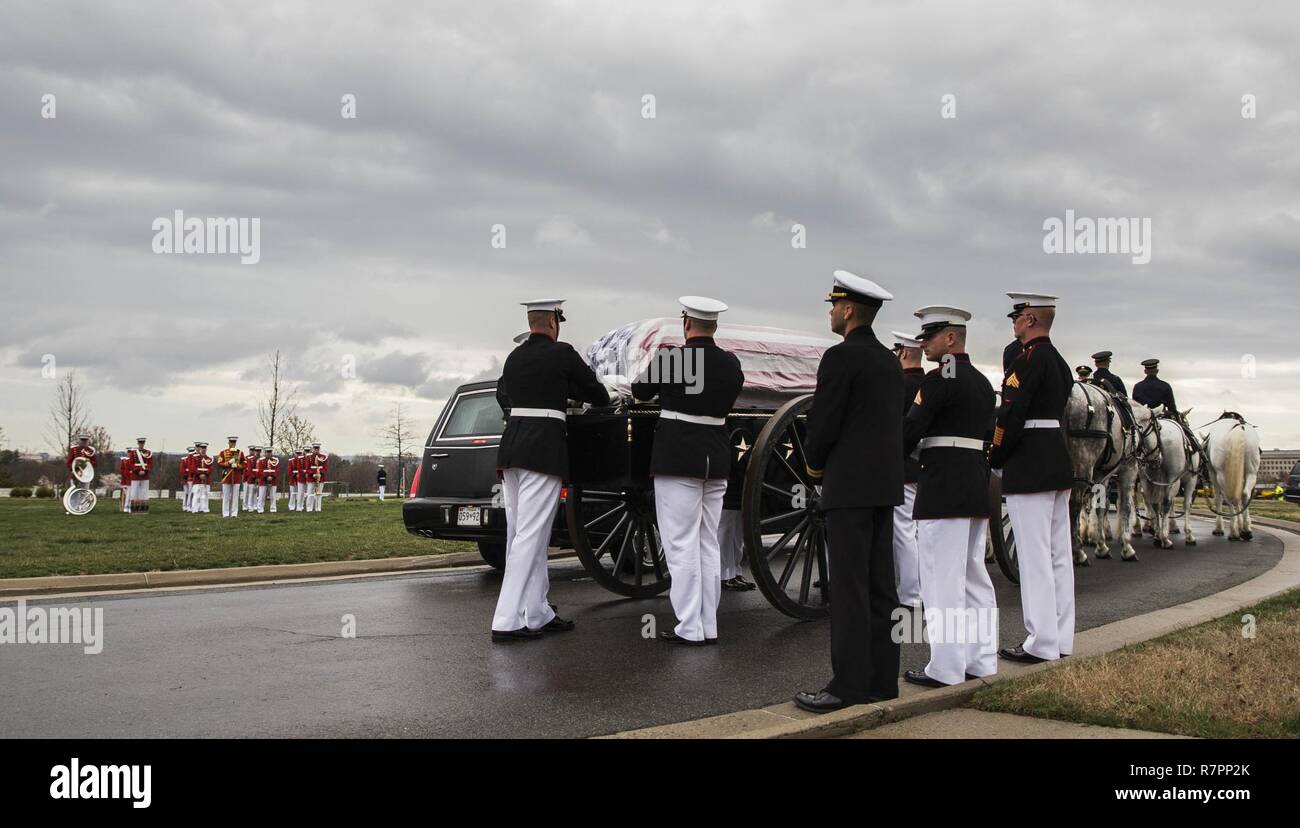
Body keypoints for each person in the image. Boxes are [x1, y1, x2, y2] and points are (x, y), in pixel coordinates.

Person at [793, 270, 903, 713]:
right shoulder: (890, 362)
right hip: (882, 487)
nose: (831, 312)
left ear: (849, 310)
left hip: (848, 487)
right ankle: (882, 681)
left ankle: (847, 686)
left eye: (834, 305)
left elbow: (824, 424)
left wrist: (814, 466)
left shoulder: (840, 359)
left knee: (848, 588)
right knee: (881, 587)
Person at [492, 299, 613, 642]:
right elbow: (596, 392)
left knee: (524, 534)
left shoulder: (514, 358)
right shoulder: (562, 353)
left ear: (531, 323)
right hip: (542, 451)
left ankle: (537, 611)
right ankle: (506, 620)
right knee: (530, 538)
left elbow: (508, 394)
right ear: (554, 322)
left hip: (512, 450)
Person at [631, 297, 745, 645]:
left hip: (678, 458)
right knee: (706, 543)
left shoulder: (673, 359)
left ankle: (689, 627)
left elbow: (639, 390)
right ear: (715, 327)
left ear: (686, 324)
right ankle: (707, 625)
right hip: (716, 458)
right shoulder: (731, 363)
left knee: (681, 545)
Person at [901, 306, 998, 687]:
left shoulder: (940, 379)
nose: (923, 343)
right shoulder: (980, 381)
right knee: (974, 577)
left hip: (943, 487)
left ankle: (945, 667)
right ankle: (981, 659)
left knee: (941, 581)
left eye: (930, 336)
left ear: (952, 338)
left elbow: (911, 429)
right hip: (974, 485)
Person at [990, 292, 1074, 663]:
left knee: (1034, 555)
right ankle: (1060, 638)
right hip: (1056, 459)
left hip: (1029, 465)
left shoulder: (1026, 362)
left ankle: (1040, 642)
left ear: (1029, 320)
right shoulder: (1060, 362)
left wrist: (996, 455)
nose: (1013, 323)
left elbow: (1011, 417)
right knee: (1058, 555)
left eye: (1017, 316)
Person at [892, 331, 925, 609]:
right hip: (927, 466)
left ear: (902, 352)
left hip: (903, 465)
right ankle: (922, 588)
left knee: (903, 530)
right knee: (920, 531)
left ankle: (910, 593)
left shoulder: (898, 386)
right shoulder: (929, 384)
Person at [216, 436, 245, 518]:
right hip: (226, 475)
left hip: (236, 477)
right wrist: (228, 463)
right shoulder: (223, 452)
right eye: (231, 442)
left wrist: (238, 466)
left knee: (235, 496)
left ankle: (234, 513)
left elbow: (245, 464)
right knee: (226, 496)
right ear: (228, 443)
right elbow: (219, 463)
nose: (232, 444)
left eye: (234, 442)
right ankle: (225, 513)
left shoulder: (239, 453)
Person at [126, 437, 154, 513]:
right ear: (138, 443)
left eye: (142, 443)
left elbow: (150, 463)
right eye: (140, 443)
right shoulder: (133, 453)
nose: (141, 445)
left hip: (145, 474)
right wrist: (138, 471)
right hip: (136, 475)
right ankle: (134, 508)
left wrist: (145, 470)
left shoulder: (148, 452)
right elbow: (131, 463)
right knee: (134, 491)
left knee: (144, 492)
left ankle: (143, 508)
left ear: (144, 443)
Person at [305, 442, 329, 512]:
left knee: (319, 493)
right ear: (313, 449)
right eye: (315, 448)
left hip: (320, 477)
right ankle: (309, 508)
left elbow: (325, 468)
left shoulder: (323, 456)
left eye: (317, 448)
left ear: (319, 449)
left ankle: (318, 508)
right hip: (311, 477)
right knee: (310, 493)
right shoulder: (308, 456)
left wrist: (320, 474)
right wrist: (313, 474)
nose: (316, 450)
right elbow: (307, 468)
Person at [191, 443, 213, 513]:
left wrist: (205, 474)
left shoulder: (209, 458)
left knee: (205, 495)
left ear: (206, 449)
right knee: (197, 494)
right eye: (202, 448)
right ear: (200, 449)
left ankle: (204, 508)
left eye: (205, 448)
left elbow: (211, 468)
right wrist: (200, 474)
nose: (203, 449)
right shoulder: (195, 457)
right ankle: (195, 509)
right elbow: (193, 468)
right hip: (197, 479)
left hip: (206, 479)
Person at [260, 447, 279, 513]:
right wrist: (266, 477)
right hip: (263, 480)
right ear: (265, 453)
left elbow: (277, 470)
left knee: (273, 495)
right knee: (262, 495)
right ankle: (260, 509)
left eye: (270, 452)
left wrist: (272, 476)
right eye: (267, 452)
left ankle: (273, 509)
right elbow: (260, 471)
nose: (269, 454)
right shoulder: (261, 460)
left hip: (273, 480)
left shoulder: (275, 460)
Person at [180, 445, 196, 512]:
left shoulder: (194, 459)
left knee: (191, 493)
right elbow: (182, 470)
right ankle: (185, 506)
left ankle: (189, 506)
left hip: (192, 478)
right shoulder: (185, 460)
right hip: (186, 478)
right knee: (186, 493)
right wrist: (186, 474)